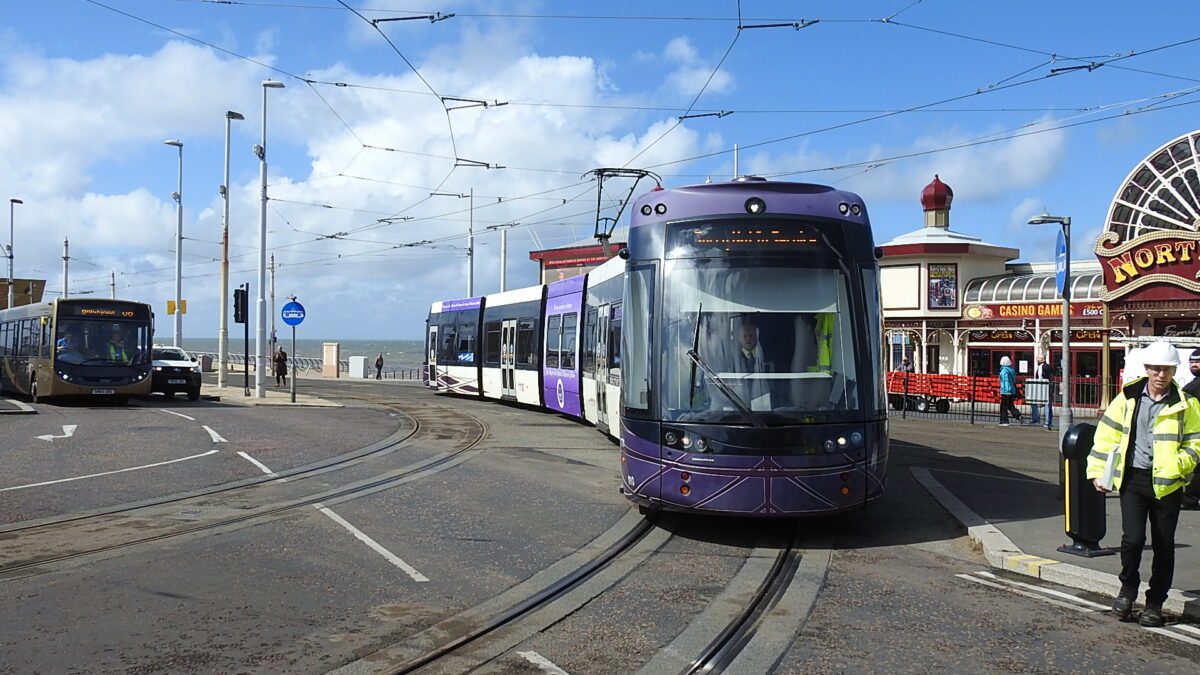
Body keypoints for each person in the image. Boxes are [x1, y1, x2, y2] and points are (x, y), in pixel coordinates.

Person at [1088, 341, 1200, 627]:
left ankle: (1154, 603)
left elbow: (1196, 443)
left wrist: (1179, 466)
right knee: (1133, 540)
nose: (1161, 375)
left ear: (1174, 370)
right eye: (1156, 369)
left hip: (1168, 484)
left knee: (1163, 546)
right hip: (1133, 480)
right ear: (1147, 369)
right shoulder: (1127, 398)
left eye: (1167, 369)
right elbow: (1107, 437)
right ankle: (1127, 589)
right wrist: (1097, 472)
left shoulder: (1188, 404)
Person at [1182, 351, 1200, 509]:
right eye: (1191, 362)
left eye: (1198, 362)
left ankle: (1190, 498)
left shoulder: (1192, 388)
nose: (1194, 365)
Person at [1029, 353, 1055, 429]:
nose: (1037, 361)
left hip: (1042, 388)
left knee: (1034, 402)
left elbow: (1040, 377)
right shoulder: (1049, 366)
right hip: (1048, 387)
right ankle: (1048, 421)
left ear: (1040, 360)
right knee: (1048, 405)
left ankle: (1038, 419)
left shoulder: (1041, 367)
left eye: (1037, 359)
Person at [998, 356, 1021, 426]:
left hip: (1006, 391)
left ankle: (1004, 421)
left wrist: (1005, 391)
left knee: (1004, 406)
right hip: (1012, 390)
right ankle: (1018, 415)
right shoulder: (1011, 370)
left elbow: (1005, 381)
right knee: (1010, 406)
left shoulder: (1004, 371)